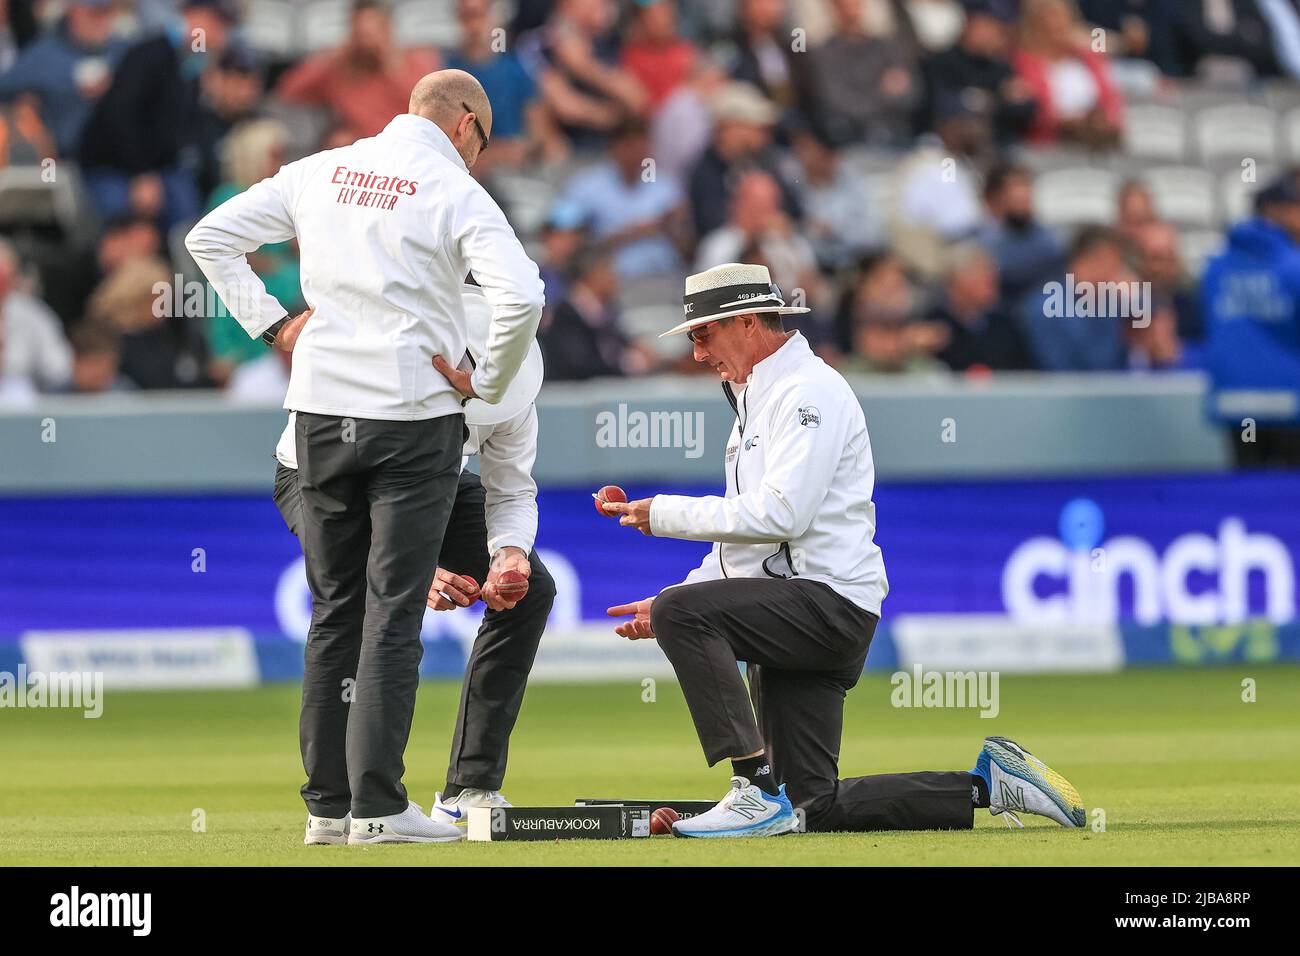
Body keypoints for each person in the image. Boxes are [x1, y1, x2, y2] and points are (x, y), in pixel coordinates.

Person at [185, 70, 546, 845]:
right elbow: (522, 294)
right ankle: (379, 806)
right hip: (411, 418)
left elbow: (208, 236)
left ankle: (327, 808)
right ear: (464, 128)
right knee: (391, 614)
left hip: (318, 412)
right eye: (480, 144)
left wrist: (274, 326)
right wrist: (487, 378)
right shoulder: (454, 190)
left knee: (334, 613)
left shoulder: (321, 170)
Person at [603, 263, 1087, 836]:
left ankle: (751, 790)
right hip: (803, 610)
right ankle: (989, 784)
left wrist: (661, 517)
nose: (699, 352)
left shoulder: (809, 391)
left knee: (685, 617)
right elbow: (747, 546)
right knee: (812, 807)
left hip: (827, 607)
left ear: (750, 322)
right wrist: (674, 598)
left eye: (704, 334)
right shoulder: (757, 399)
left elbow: (784, 513)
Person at [271, 282, 556, 840]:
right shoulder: (392, 355)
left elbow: (513, 490)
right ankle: (333, 809)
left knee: (533, 591)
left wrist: (509, 555)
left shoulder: (517, 379)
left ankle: (468, 788)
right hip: (317, 476)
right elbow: (354, 489)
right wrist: (406, 565)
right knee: (351, 606)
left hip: (434, 483)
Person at [1200, 176, 1300, 466]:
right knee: (1288, 500)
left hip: (1235, 403)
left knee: (1245, 494)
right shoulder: (1293, 267)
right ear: (1273, 210)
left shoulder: (1215, 268)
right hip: (1286, 403)